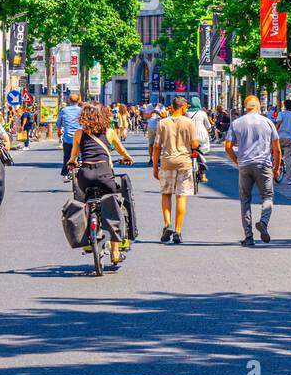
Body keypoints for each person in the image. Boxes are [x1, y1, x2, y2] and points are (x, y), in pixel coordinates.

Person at [66, 101, 136, 265]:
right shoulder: (109, 132)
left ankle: (87, 230)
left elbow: (74, 156)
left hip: (85, 176)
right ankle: (115, 251)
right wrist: (128, 158)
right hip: (105, 175)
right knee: (114, 205)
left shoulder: (78, 134)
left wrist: (71, 163)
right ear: (102, 116)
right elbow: (120, 149)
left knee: (85, 200)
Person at [224, 95, 282, 246]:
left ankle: (248, 236)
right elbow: (277, 149)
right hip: (263, 164)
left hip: (244, 165)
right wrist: (276, 168)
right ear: (258, 106)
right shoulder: (268, 122)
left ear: (245, 106)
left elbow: (228, 146)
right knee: (267, 196)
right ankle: (263, 221)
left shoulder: (236, 123)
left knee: (245, 199)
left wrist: (237, 161)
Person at [152, 96, 200, 244]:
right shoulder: (189, 122)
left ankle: (167, 224)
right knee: (181, 196)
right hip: (184, 162)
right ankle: (178, 230)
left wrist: (155, 166)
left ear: (172, 107)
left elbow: (157, 146)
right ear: (184, 107)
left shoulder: (163, 123)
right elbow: (195, 143)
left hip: (167, 161)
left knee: (166, 194)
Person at [274, 98, 291, 186]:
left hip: (279, 138)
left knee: (274, 154)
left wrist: (274, 132)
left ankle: (274, 170)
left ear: (284, 105)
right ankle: (289, 179)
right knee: (288, 159)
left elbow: (278, 124)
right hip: (289, 139)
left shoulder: (281, 114)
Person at [57, 92, 84, 177]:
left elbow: (58, 123)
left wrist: (59, 131)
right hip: (79, 138)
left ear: (69, 100)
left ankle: (65, 173)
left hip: (67, 137)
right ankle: (82, 168)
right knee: (81, 156)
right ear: (78, 101)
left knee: (67, 156)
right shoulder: (81, 110)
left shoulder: (64, 110)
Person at [188, 96, 213, 184]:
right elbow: (208, 126)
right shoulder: (202, 113)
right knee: (201, 152)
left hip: (189, 137)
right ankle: (203, 175)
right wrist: (209, 130)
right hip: (201, 136)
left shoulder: (186, 113)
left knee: (189, 153)